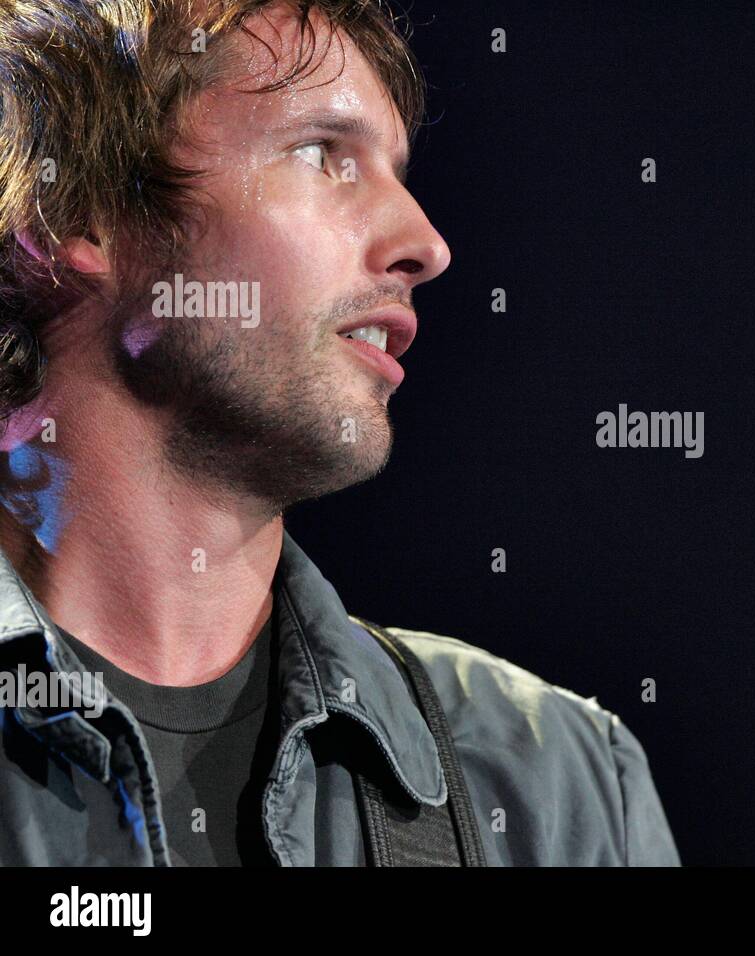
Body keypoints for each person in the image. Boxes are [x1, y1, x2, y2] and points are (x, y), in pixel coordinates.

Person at [0, 0, 680, 866]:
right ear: (77, 211)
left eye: (396, 170)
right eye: (322, 154)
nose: (425, 243)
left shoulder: (560, 784)